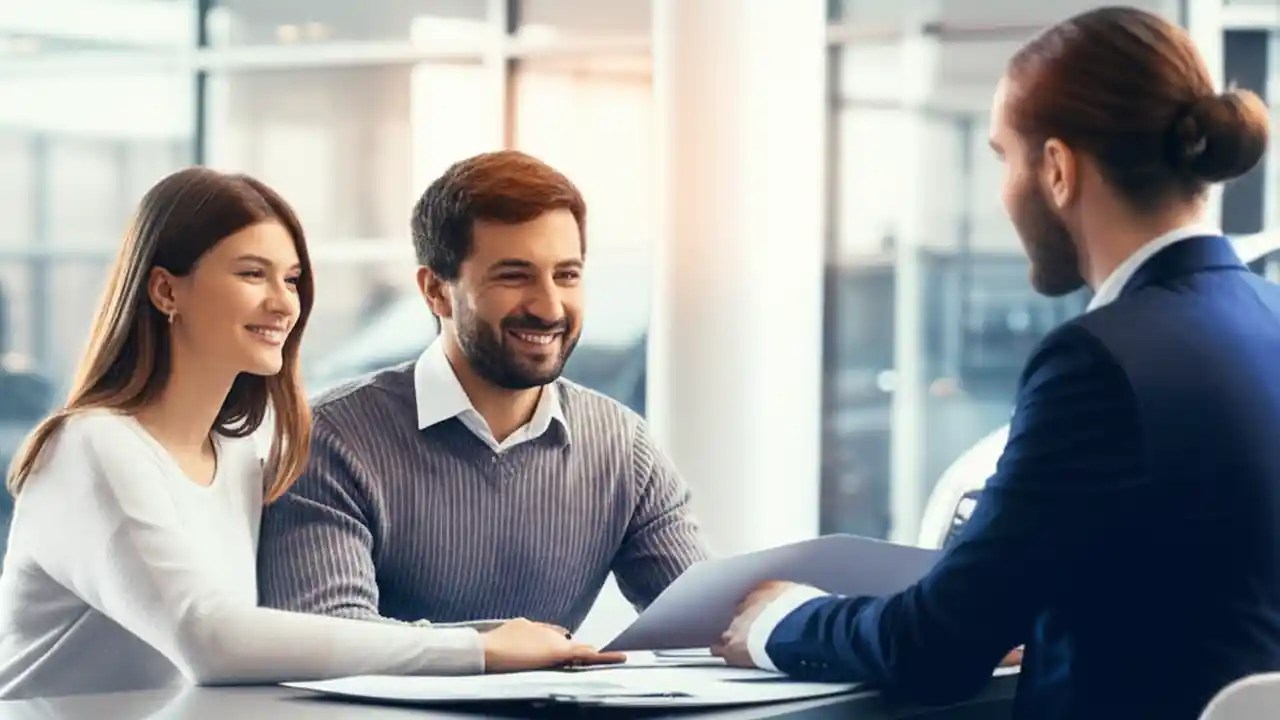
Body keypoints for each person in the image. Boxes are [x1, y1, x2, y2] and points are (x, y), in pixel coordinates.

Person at [714, 7, 1277, 719]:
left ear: (1057, 169)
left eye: (1004, 158)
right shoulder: (1269, 319)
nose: (1004, 192)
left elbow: (936, 647)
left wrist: (780, 619)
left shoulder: (1100, 360)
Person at [0, 167, 621, 700]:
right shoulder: (90, 447)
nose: (284, 304)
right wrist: (476, 650)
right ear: (165, 289)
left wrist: (491, 637)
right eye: (252, 274)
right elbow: (209, 638)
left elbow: (288, 635)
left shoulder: (248, 451)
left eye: (292, 279)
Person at [257, 150, 708, 631]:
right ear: (435, 291)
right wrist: (489, 648)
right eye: (514, 276)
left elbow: (705, 617)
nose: (549, 306)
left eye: (567, 275)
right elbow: (326, 634)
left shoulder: (621, 445)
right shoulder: (330, 438)